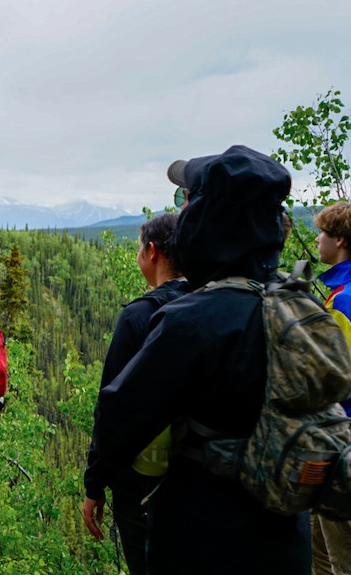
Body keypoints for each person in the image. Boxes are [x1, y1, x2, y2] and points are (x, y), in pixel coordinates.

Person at [83, 145, 309, 574]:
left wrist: (96, 481)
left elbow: (120, 414)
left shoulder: (191, 321)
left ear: (208, 219)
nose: (183, 210)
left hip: (206, 535)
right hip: (288, 534)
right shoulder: (300, 304)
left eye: (187, 199)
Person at [82, 212, 191, 573]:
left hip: (142, 486)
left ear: (153, 251)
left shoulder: (139, 317)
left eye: (140, 248)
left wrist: (94, 483)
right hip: (200, 478)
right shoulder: (208, 305)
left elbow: (113, 409)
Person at [310, 201, 351, 575]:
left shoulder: (345, 301)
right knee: (322, 555)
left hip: (345, 454)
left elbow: (329, 385)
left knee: (349, 564)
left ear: (340, 240)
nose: (317, 238)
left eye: (323, 232)